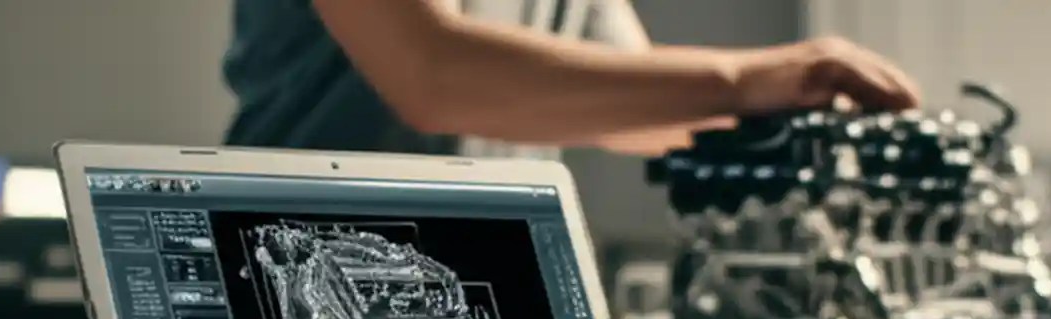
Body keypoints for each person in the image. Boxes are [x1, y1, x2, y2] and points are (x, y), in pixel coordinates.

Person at [223, 0, 921, 160]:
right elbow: (433, 77)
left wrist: (815, 116)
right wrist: (744, 79)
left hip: (489, 282)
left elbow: (633, 104)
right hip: (298, 277)